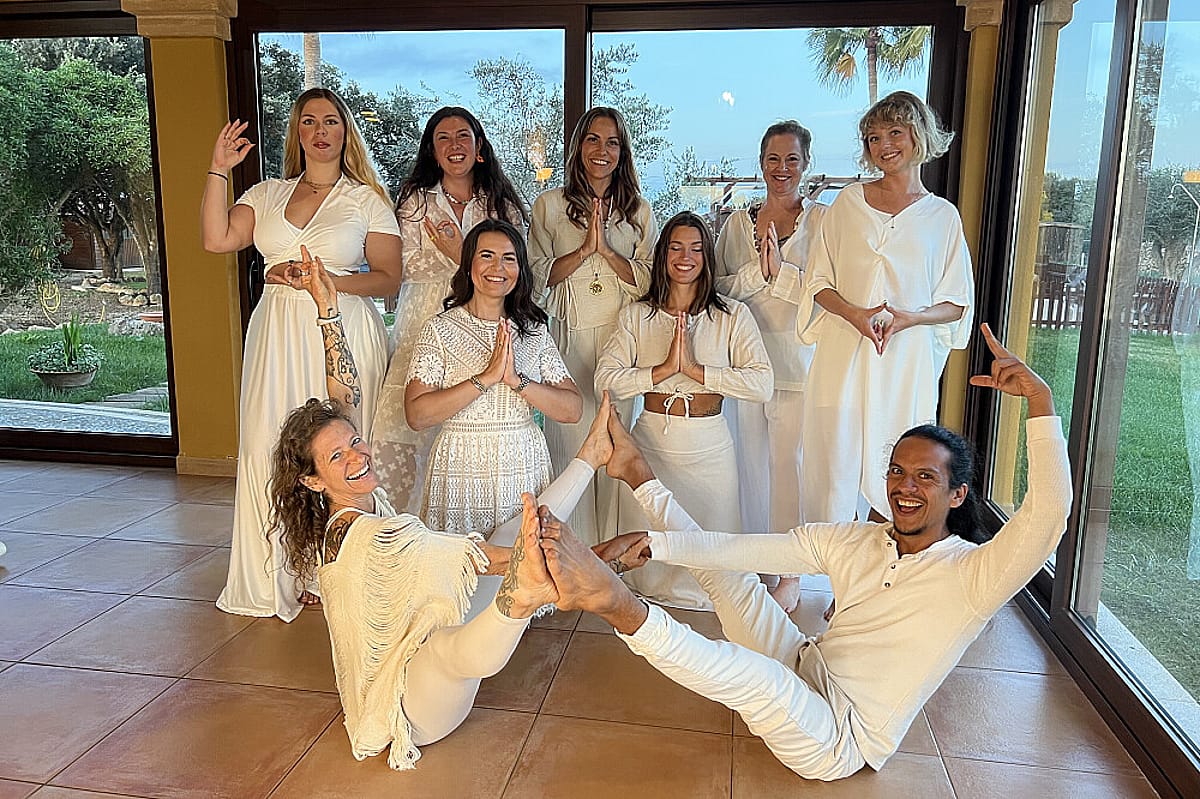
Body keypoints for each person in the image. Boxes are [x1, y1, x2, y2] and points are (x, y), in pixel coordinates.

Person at [538, 323, 1071, 781]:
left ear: (957, 495)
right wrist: (654, 544)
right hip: (801, 662)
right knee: (732, 581)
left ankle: (614, 603)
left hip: (837, 737)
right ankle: (639, 474)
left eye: (925, 477)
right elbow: (741, 551)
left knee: (757, 676)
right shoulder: (860, 540)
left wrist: (1041, 403)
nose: (905, 487)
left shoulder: (972, 576)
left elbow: (1047, 518)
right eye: (897, 472)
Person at [276, 252, 636, 771]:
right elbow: (480, 559)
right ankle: (525, 597)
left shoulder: (342, 494)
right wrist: (598, 560)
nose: (357, 456)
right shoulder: (373, 536)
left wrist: (328, 311)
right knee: (482, 600)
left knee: (513, 533)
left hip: (421, 652)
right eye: (338, 457)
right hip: (413, 707)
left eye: (355, 442)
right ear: (312, 480)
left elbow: (342, 399)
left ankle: (590, 457)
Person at [201, 87, 403, 621]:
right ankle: (275, 574)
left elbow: (389, 279)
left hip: (341, 328)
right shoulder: (267, 193)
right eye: (309, 121)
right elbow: (217, 239)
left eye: (331, 121)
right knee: (266, 446)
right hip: (276, 334)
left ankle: (334, 572)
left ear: (345, 131)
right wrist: (218, 169)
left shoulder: (366, 199)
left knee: (338, 451)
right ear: (297, 132)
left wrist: (324, 281)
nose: (320, 131)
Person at [800, 90, 974, 527]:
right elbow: (818, 283)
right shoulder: (847, 204)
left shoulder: (942, 217)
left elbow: (956, 303)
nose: (884, 145)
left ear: (919, 135)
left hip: (905, 363)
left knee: (900, 464)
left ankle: (885, 563)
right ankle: (831, 564)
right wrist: (856, 315)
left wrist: (911, 317)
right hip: (844, 355)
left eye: (895, 132)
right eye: (874, 137)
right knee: (835, 468)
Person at [595, 211, 773, 609]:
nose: (685, 257)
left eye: (695, 249)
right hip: (651, 441)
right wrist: (661, 371)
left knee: (709, 548)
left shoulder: (731, 316)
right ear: (663, 255)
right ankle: (648, 589)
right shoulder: (637, 315)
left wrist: (695, 370)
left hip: (710, 445)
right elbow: (604, 380)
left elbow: (762, 384)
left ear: (707, 257)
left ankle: (705, 595)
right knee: (651, 539)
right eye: (676, 248)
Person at [372, 108, 528, 514]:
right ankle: (400, 531)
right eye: (443, 137)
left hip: (482, 327)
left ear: (479, 147)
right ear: (432, 150)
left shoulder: (502, 205)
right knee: (403, 432)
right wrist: (472, 260)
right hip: (420, 324)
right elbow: (403, 266)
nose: (454, 145)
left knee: (470, 424)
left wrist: (458, 252)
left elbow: (514, 268)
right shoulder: (415, 201)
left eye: (463, 136)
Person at [529, 106, 657, 546]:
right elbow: (535, 277)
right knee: (572, 446)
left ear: (623, 152)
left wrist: (609, 253)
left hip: (622, 343)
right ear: (578, 146)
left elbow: (650, 281)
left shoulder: (639, 211)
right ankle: (570, 554)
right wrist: (585, 250)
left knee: (618, 446)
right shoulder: (549, 205)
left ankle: (616, 558)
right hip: (569, 342)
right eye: (593, 139)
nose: (602, 150)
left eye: (613, 142)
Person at [404, 219, 582, 535]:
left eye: (508, 258)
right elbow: (417, 416)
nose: (497, 267)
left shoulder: (534, 331)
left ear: (520, 269)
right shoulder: (439, 330)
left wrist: (517, 381)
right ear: (468, 264)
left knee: (524, 559)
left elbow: (572, 410)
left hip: (522, 464)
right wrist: (485, 378)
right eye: (486, 256)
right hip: (461, 466)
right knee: (464, 561)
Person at [715, 120, 827, 612]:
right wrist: (755, 274)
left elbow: (829, 294)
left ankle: (791, 571)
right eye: (773, 160)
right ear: (761, 164)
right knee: (749, 468)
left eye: (792, 160)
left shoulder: (822, 224)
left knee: (789, 470)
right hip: (746, 365)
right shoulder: (737, 224)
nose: (782, 169)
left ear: (806, 164)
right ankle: (757, 559)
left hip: (798, 367)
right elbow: (717, 289)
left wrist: (780, 275)